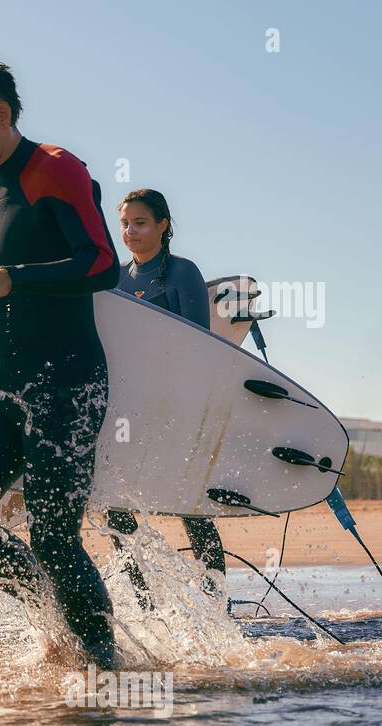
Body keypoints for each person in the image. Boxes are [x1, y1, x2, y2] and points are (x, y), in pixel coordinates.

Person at [0, 51, 119, 669]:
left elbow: (101, 264)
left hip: (68, 380)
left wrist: (12, 279)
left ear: (1, 112)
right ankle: (54, 622)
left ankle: (104, 668)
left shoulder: (58, 169)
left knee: (56, 536)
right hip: (6, 383)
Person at [107, 189, 227, 607]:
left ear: (163, 225)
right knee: (112, 506)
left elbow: (198, 346)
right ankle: (144, 603)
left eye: (139, 223)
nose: (130, 231)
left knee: (190, 505)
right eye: (124, 223)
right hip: (128, 411)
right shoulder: (116, 278)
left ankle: (216, 604)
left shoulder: (182, 273)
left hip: (175, 409)